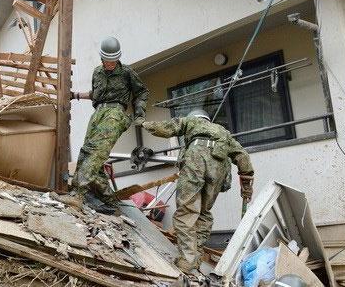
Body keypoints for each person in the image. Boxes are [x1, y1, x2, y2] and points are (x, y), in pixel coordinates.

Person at [142, 109, 254, 274]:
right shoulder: (224, 133)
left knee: (186, 212)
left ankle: (187, 261)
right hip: (219, 168)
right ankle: (196, 258)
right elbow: (242, 156)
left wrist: (143, 123)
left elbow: (166, 128)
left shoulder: (192, 122)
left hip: (196, 160)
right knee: (203, 213)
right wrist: (246, 188)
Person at [69, 36, 149, 212]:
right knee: (86, 152)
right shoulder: (97, 73)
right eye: (108, 60)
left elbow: (142, 92)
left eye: (114, 60)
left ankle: (76, 194)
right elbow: (97, 95)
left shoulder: (127, 73)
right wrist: (75, 96)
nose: (111, 63)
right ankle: (110, 201)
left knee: (96, 153)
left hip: (115, 113)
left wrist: (139, 114)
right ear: (102, 58)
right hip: (98, 114)